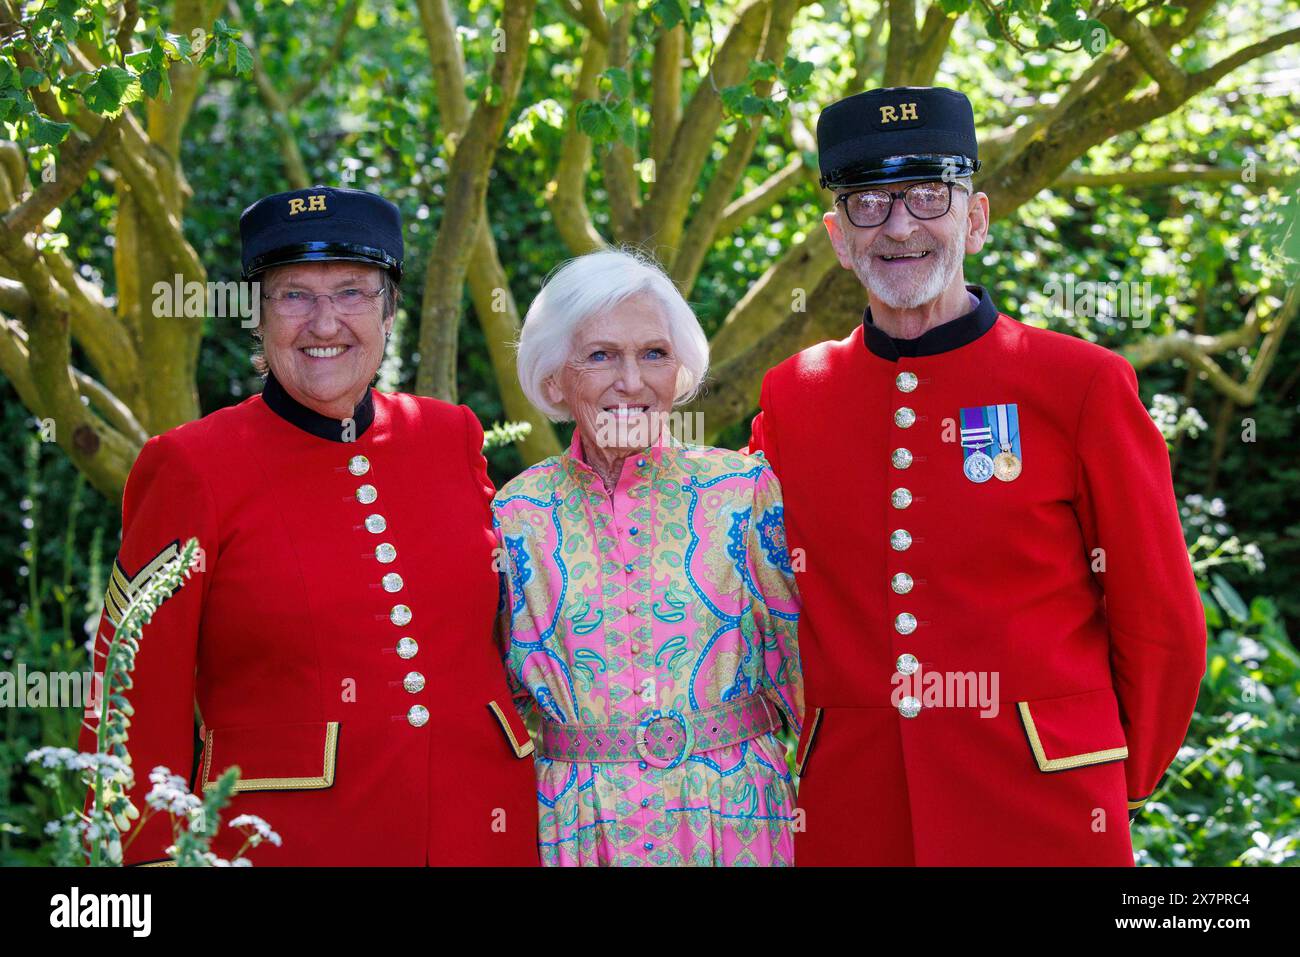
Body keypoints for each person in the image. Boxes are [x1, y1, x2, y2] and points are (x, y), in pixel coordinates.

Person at [748, 87, 1206, 865]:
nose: (900, 226)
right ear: (837, 236)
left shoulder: (1079, 385)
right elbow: (756, 594)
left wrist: (1113, 765)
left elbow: (1159, 613)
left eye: (929, 196)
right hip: (856, 808)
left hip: (1046, 802)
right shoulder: (794, 394)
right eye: (869, 204)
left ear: (977, 217)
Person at [79, 185, 537, 865]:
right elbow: (134, 694)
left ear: (389, 310)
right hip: (288, 844)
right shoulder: (189, 466)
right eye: (294, 294)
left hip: (484, 829)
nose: (325, 323)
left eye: (352, 291)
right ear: (258, 319)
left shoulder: (449, 434)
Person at [493, 249, 804, 865]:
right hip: (581, 828)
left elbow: (803, 671)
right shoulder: (513, 516)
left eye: (654, 354)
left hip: (736, 819)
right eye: (601, 355)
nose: (632, 381)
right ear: (555, 379)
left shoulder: (743, 493)